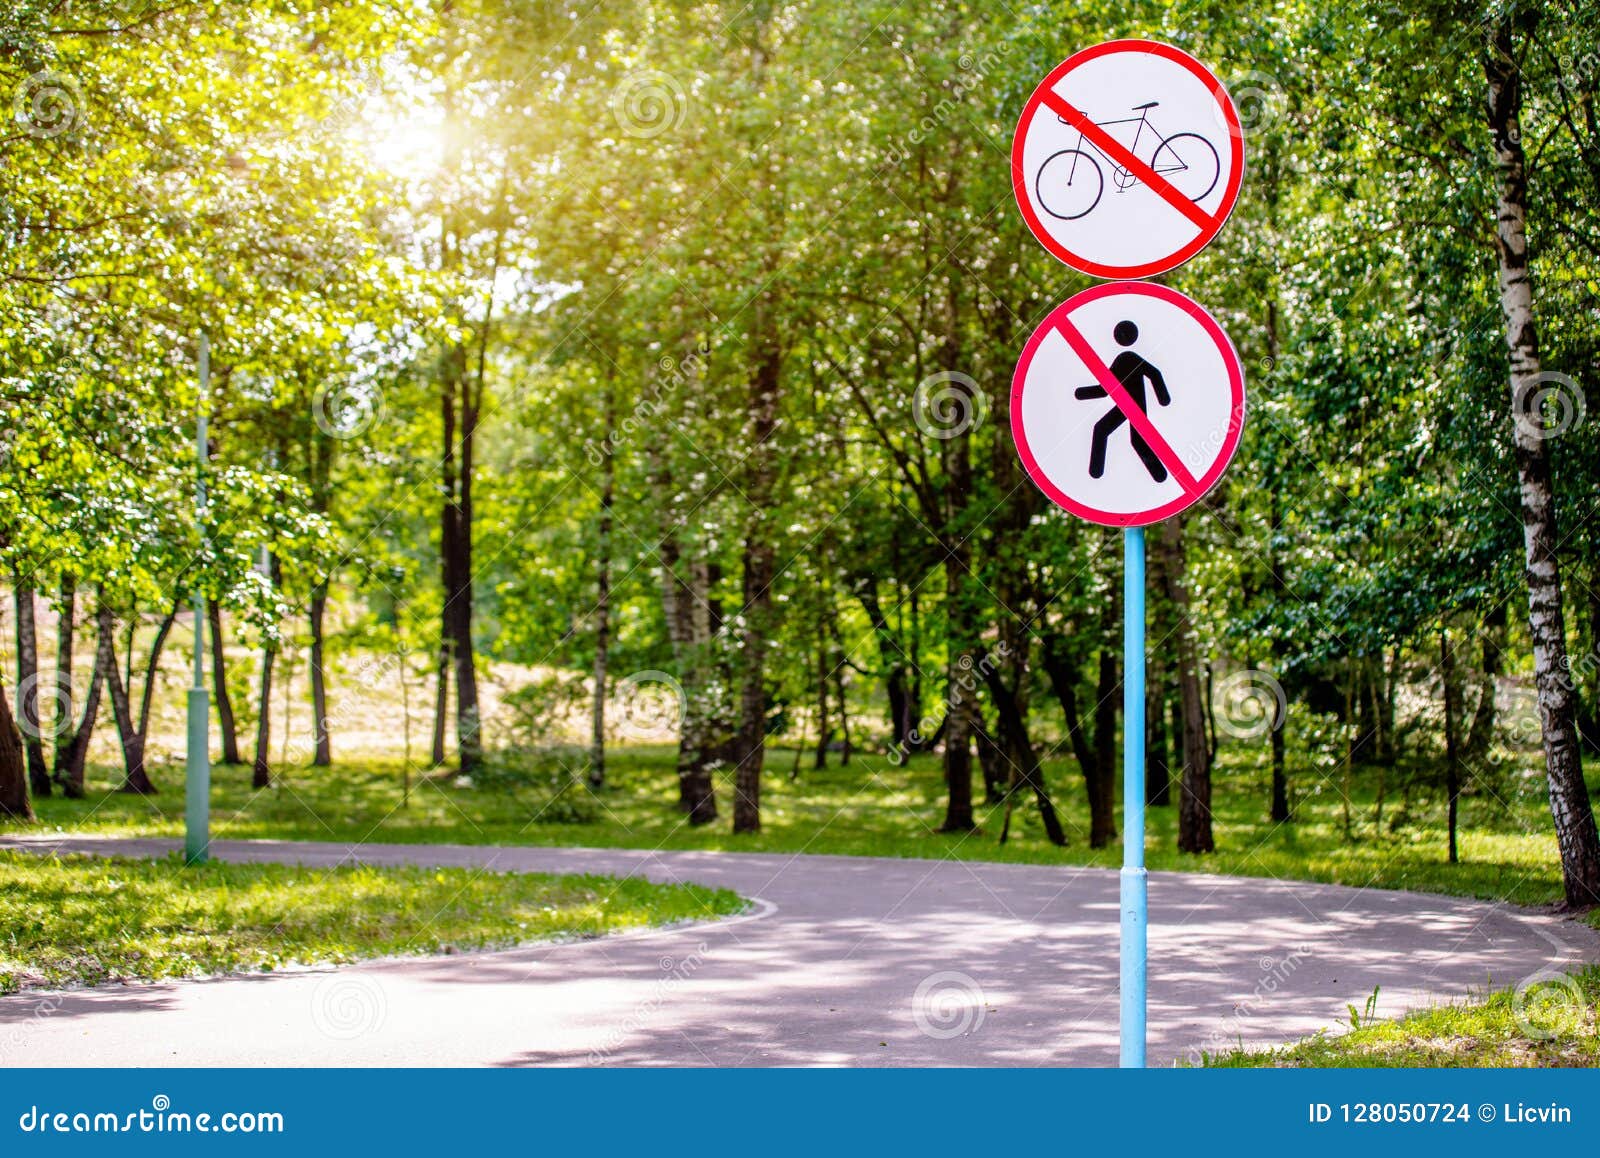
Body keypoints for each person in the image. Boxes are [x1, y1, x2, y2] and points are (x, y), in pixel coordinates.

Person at [1074, 320, 1171, 481]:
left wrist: (1163, 398)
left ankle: (1161, 476)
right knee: (1107, 431)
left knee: (1131, 439)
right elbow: (1106, 388)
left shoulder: (1127, 358)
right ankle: (1096, 473)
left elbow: (1154, 373)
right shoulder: (1124, 359)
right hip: (1127, 406)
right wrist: (1080, 393)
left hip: (1134, 406)